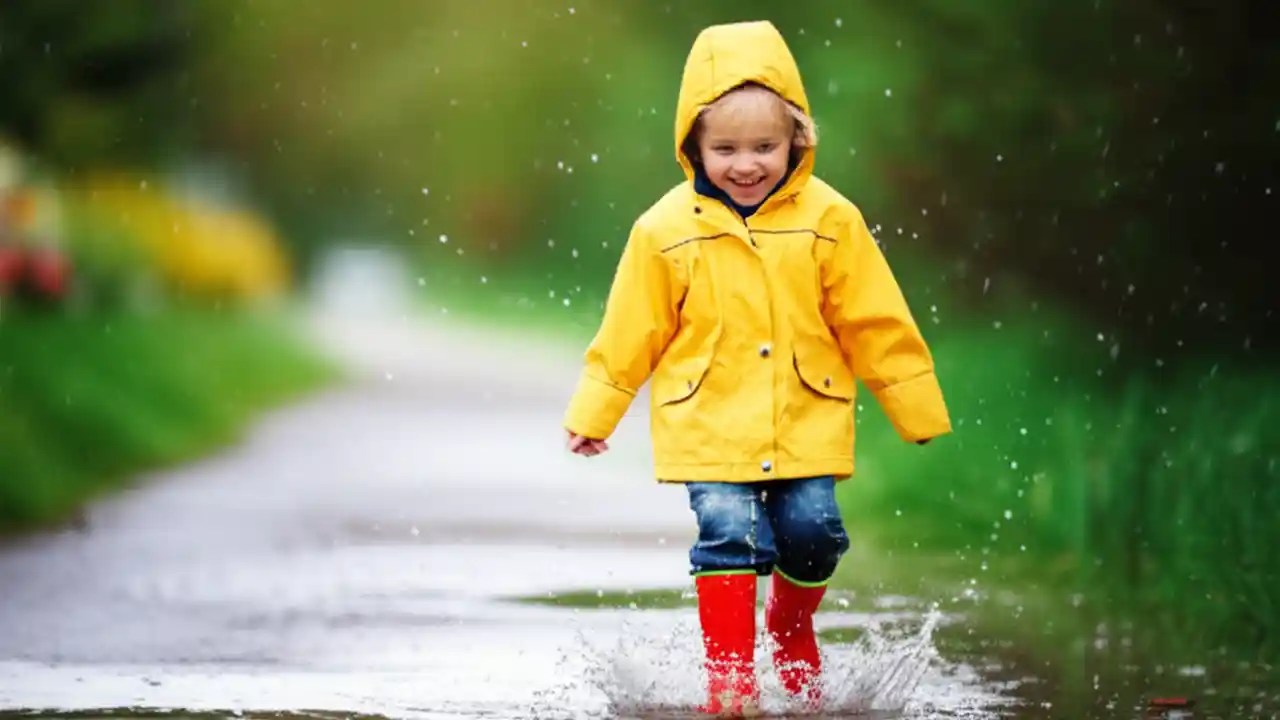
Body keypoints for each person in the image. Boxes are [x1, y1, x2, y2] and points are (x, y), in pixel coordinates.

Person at [562, 19, 951, 716]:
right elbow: (630, 330)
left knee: (814, 534)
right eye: (726, 148)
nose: (747, 164)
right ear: (693, 147)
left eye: (765, 146)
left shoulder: (831, 219)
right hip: (707, 421)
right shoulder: (663, 230)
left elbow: (873, 318)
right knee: (728, 533)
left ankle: (792, 622)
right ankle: (731, 685)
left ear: (797, 140)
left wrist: (913, 404)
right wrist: (597, 412)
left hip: (805, 416)